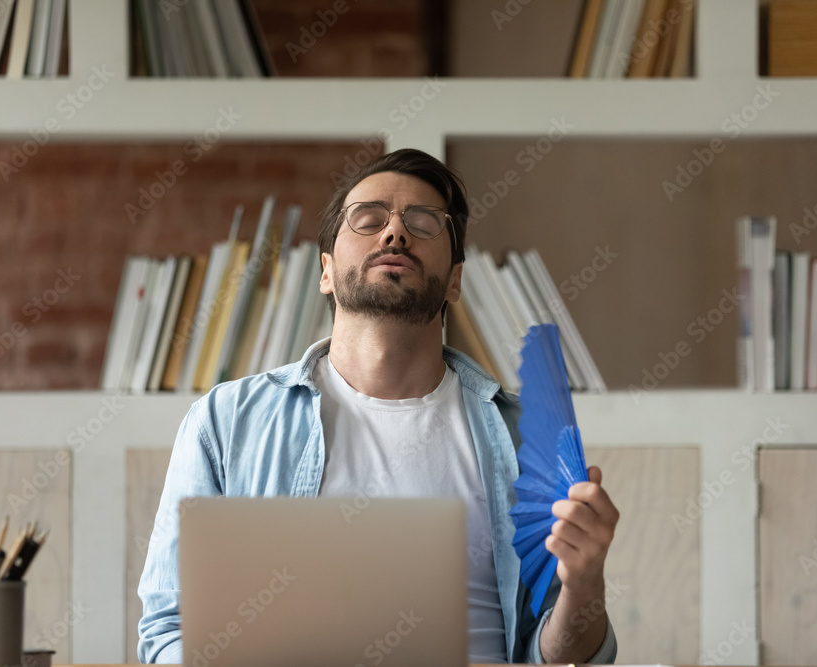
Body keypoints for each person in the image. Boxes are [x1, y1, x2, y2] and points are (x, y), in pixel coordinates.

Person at [137, 148, 620, 664]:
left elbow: (563, 658)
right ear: (325, 271)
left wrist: (585, 584)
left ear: (455, 280)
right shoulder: (225, 423)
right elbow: (167, 633)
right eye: (368, 219)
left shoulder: (525, 436)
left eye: (423, 223)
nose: (395, 233)